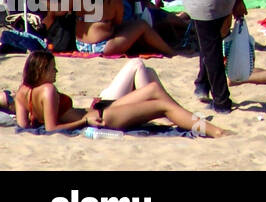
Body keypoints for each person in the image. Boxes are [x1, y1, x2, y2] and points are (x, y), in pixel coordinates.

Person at [14, 52, 223, 137]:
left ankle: (189, 119)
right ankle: (214, 132)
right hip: (101, 119)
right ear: (41, 70)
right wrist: (84, 121)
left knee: (153, 89)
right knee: (162, 105)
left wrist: (36, 116)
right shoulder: (48, 90)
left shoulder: (21, 93)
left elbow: (24, 127)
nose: (56, 72)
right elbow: (51, 129)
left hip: (98, 111)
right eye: (52, 68)